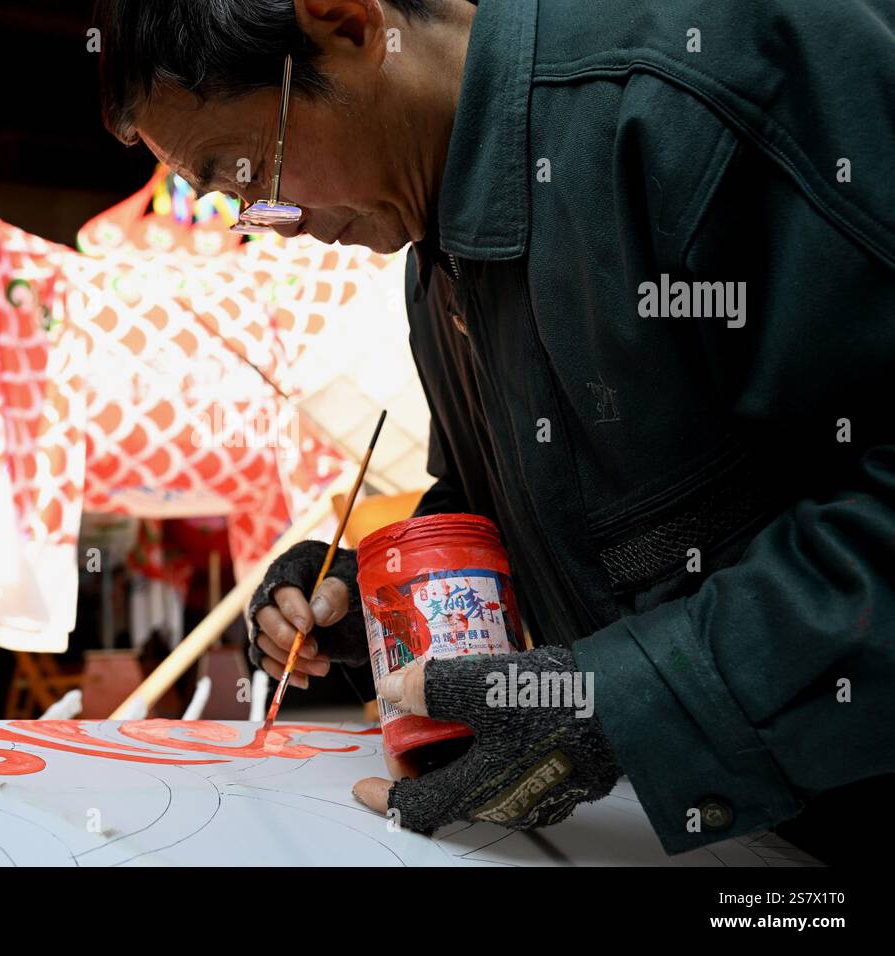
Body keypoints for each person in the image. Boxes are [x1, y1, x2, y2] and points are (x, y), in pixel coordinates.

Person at [92, 0, 895, 861]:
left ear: (346, 22)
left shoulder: (690, 92)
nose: (276, 224)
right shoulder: (436, 265)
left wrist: (618, 704)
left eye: (248, 170)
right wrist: (376, 601)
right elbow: (521, 519)